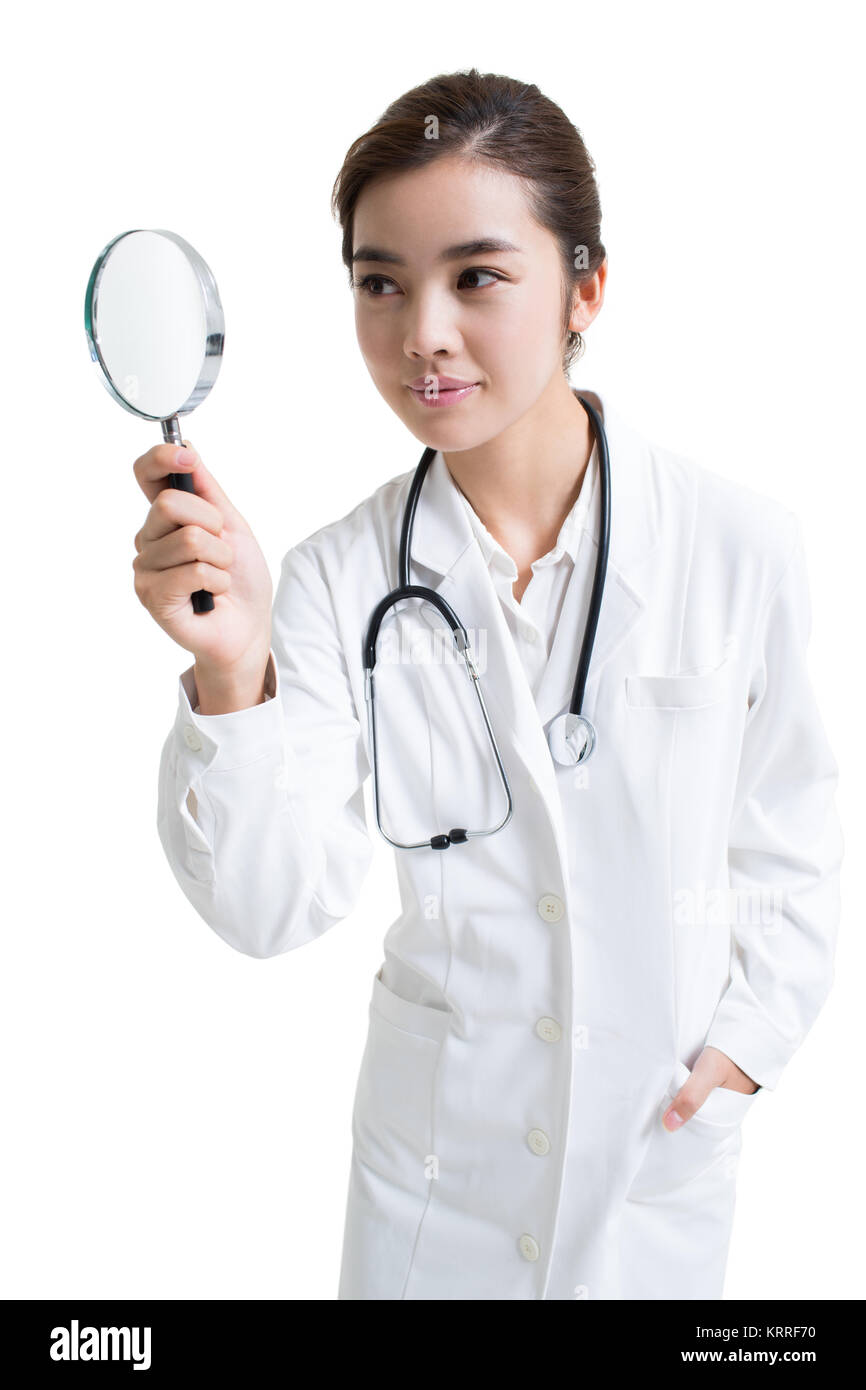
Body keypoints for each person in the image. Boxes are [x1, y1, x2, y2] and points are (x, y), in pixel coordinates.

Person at [132, 69, 843, 1300]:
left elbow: (793, 842)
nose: (422, 335)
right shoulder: (335, 579)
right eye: (379, 282)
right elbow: (269, 905)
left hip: (650, 1173)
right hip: (433, 1192)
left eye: (476, 276)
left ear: (587, 284)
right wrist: (231, 664)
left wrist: (741, 1049)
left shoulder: (739, 546)